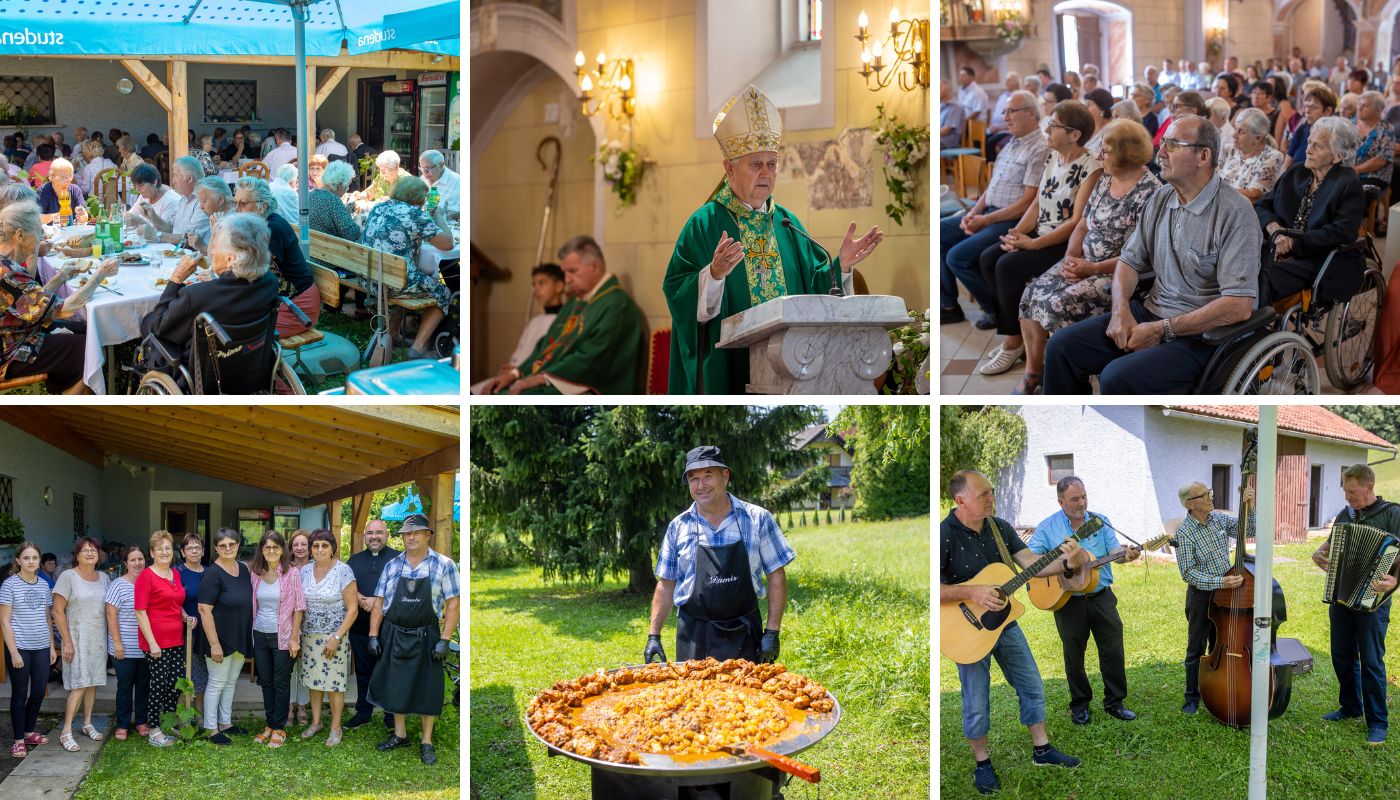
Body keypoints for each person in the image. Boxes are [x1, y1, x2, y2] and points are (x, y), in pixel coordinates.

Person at [662, 85, 882, 392]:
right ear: (729, 168)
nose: (766, 173)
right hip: (729, 369)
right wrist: (712, 277)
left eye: (772, 164)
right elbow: (677, 292)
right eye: (755, 164)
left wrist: (841, 265)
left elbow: (816, 285)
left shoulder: (787, 223)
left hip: (794, 363)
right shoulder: (704, 225)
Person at [1043, 116, 1261, 394]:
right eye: (1162, 143)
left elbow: (1238, 305)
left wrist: (1163, 329)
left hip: (1200, 335)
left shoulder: (1235, 212)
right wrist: (1119, 309)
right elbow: (1129, 261)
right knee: (1061, 348)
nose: (1160, 152)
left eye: (1172, 145)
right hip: (1150, 311)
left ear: (1203, 156)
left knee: (1116, 377)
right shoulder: (1161, 198)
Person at [941, 471, 1081, 796]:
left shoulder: (999, 527)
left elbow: (1031, 562)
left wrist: (1065, 562)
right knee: (976, 700)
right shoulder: (944, 535)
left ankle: (1042, 750)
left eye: (991, 491)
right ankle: (982, 763)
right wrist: (973, 592)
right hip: (965, 631)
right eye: (983, 495)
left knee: (1031, 683)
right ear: (960, 500)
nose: (992, 498)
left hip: (1005, 623)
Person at [1016, 120, 1161, 395]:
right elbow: (1082, 224)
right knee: (1030, 293)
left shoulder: (1151, 192)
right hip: (1084, 264)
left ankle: (1073, 374)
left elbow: (1141, 256)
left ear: (1125, 154)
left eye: (1105, 151)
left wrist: (1091, 268)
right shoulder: (1106, 180)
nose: (1098, 156)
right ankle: (1035, 372)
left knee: (1057, 304)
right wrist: (1070, 259)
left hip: (1117, 275)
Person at [973, 100, 1101, 379]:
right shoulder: (1052, 157)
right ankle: (1016, 336)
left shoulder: (1091, 167)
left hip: (1062, 242)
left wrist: (1031, 244)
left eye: (1053, 126)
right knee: (987, 257)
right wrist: (1017, 232)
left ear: (1074, 134)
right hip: (1040, 229)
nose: (1048, 130)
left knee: (1007, 266)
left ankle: (1012, 343)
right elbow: (1037, 204)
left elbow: (1076, 221)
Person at [648, 445, 792, 668]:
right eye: (693, 479)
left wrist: (772, 632)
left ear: (725, 476)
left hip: (744, 632)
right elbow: (666, 584)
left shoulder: (757, 519)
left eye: (708, 476)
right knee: (693, 701)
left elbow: (776, 575)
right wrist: (653, 636)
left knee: (748, 700)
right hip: (693, 635)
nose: (701, 485)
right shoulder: (679, 526)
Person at [1027, 477, 1141, 725]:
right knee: (1074, 655)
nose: (1082, 503)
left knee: (1112, 649)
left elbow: (1113, 551)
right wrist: (1063, 566)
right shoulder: (1048, 527)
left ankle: (1115, 702)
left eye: (1084, 497)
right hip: (1068, 600)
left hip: (1101, 597)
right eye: (1075, 499)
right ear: (1061, 501)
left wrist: (1124, 555)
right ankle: (1080, 705)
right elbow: (1031, 560)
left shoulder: (1099, 521)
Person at [940, 90, 1049, 327]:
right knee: (940, 233)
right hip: (989, 213)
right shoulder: (1010, 143)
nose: (1005, 117)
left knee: (956, 257)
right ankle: (948, 305)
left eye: (1011, 111)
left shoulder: (1040, 148)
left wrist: (985, 221)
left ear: (1031, 113)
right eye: (1004, 111)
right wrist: (972, 214)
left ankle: (995, 309)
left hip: (1012, 220)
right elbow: (991, 189)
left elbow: (1028, 202)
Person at [482, 235, 642, 394]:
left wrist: (543, 377)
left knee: (515, 396)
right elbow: (547, 344)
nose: (567, 280)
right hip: (558, 377)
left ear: (594, 267)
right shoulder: (576, 301)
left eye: (572, 271)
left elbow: (591, 359)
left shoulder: (616, 305)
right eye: (564, 273)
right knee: (495, 390)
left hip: (588, 386)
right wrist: (516, 373)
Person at [1310, 464, 1400, 745]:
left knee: (1371, 661)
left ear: (1369, 486)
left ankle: (1377, 721)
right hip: (1341, 596)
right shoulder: (1345, 515)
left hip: (1374, 600)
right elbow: (1329, 545)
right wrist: (1319, 553)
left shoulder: (1393, 514)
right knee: (1341, 655)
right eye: (1345, 492)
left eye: (1352, 492)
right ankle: (1350, 707)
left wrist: (1395, 581)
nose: (1348, 497)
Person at [366, 513, 460, 766]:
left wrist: (445, 639)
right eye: (407, 534)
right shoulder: (393, 565)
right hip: (394, 632)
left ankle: (426, 741)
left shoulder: (444, 564)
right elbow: (379, 603)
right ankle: (400, 734)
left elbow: (453, 605)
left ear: (428, 535)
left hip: (427, 633)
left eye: (416, 533)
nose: (410, 537)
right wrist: (373, 635)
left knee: (427, 687)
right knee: (396, 684)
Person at [138, 212, 281, 370]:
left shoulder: (198, 295)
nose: (211, 252)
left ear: (230, 259)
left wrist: (176, 279)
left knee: (149, 321)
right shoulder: (270, 283)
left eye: (216, 247)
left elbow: (159, 327)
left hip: (203, 378)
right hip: (252, 369)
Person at [0, 201, 116, 393]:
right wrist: (100, 275)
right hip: (11, 353)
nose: (42, 237)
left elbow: (33, 302)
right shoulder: (8, 273)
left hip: (16, 335)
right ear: (19, 235)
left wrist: (61, 276)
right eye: (38, 232)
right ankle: (65, 406)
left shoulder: (7, 265)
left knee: (85, 330)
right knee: (90, 350)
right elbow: (62, 310)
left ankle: (61, 385)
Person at [1256, 116, 1365, 304]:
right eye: (1309, 142)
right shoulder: (1297, 172)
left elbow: (1342, 232)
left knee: (1260, 279)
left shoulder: (1348, 184)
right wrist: (1274, 227)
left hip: (1319, 259)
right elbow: (1263, 205)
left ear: (1338, 156)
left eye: (1318, 146)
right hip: (1277, 246)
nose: (1308, 150)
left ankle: (1250, 329)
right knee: (1235, 264)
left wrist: (1292, 244)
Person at [1174, 481, 1254, 714]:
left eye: (1210, 492)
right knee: (1196, 647)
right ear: (1190, 504)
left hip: (1225, 593)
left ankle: (1215, 686)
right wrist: (1221, 582)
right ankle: (1191, 696)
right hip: (1201, 595)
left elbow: (1247, 530)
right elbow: (1188, 572)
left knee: (1219, 643)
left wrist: (1251, 505)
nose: (1211, 497)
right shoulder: (1184, 533)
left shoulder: (1218, 518)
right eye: (1205, 495)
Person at [360, 175, 453, 356]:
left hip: (368, 278)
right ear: (418, 198)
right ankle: (418, 347)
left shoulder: (380, 206)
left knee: (410, 275)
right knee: (443, 292)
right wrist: (438, 215)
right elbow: (447, 244)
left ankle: (393, 332)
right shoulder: (416, 214)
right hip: (392, 283)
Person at [232, 177, 319, 337]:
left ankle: (266, 361)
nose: (236, 208)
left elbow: (252, 271)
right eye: (235, 202)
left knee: (238, 331)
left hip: (297, 306)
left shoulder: (273, 228)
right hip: (276, 300)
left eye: (243, 203)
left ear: (262, 206)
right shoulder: (257, 225)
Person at [133, 530, 196, 747]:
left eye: (168, 548)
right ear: (152, 552)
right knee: (158, 685)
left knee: (174, 683)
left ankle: (167, 724)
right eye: (159, 548)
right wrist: (152, 643)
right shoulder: (146, 577)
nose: (164, 552)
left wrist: (186, 616)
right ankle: (153, 730)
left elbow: (175, 603)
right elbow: (140, 612)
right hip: (156, 642)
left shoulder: (174, 574)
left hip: (176, 638)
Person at [298, 529, 357, 747]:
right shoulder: (304, 571)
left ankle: (335, 727)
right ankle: (316, 722)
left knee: (334, 685)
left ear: (333, 548)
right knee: (314, 682)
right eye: (316, 545)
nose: (320, 549)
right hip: (310, 636)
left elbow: (352, 610)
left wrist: (336, 637)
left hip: (335, 637)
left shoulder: (343, 571)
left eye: (324, 545)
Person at [248, 530, 306, 750]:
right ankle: (270, 725)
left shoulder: (291, 574)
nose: (271, 551)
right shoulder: (257, 574)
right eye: (267, 547)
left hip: (283, 636)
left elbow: (299, 607)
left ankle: (279, 727)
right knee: (267, 682)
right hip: (260, 634)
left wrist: (294, 638)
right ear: (262, 550)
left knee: (281, 682)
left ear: (283, 550)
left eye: (275, 547)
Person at [52, 537, 110, 752]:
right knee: (78, 685)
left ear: (99, 555)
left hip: (97, 639)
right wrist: (66, 642)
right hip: (76, 639)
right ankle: (66, 731)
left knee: (92, 682)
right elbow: (57, 611)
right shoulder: (68, 577)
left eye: (93, 550)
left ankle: (87, 723)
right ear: (77, 555)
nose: (89, 553)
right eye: (85, 550)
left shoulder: (104, 577)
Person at [470, 262, 566, 394]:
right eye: (534, 284)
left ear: (559, 286)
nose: (536, 289)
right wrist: (508, 369)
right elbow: (519, 354)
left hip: (531, 379)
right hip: (513, 375)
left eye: (542, 283)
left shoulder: (563, 322)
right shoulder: (534, 322)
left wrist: (517, 371)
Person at [196, 527, 253, 745]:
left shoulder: (243, 568)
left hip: (239, 634)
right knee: (217, 682)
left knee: (230, 682)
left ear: (238, 545)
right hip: (219, 638)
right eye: (222, 545)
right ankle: (211, 728)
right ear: (216, 548)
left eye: (232, 544)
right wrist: (214, 644)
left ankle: (226, 722)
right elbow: (203, 609)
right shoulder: (213, 573)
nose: (227, 548)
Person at [0, 542, 56, 759]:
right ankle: (18, 741)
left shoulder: (43, 585)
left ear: (38, 561)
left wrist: (51, 646)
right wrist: (13, 652)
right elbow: (4, 622)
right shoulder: (9, 585)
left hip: (41, 647)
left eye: (34, 558)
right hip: (20, 648)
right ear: (18, 561)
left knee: (39, 690)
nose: (31, 561)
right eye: (26, 558)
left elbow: (46, 618)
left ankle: (29, 731)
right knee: (20, 694)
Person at [346, 519, 399, 730]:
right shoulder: (354, 560)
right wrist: (360, 599)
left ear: (386, 535)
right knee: (363, 672)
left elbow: (402, 590)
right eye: (370, 533)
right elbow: (346, 586)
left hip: (389, 629)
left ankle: (390, 715)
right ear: (364, 536)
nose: (374, 537)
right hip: (359, 627)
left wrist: (376, 602)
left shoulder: (398, 559)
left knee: (389, 672)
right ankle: (363, 712)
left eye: (379, 533)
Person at [104, 545, 149, 741]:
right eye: (133, 559)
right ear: (126, 563)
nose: (137, 563)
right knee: (124, 687)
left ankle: (141, 721)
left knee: (143, 686)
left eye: (140, 559)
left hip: (146, 647)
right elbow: (110, 614)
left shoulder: (149, 583)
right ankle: (122, 724)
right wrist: (117, 643)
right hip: (124, 646)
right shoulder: (118, 585)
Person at [133, 157, 211, 248]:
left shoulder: (203, 201)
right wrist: (152, 217)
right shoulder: (184, 199)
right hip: (177, 253)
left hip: (192, 257)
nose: (173, 181)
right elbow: (172, 232)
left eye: (175, 175)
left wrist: (156, 235)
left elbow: (192, 241)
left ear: (189, 178)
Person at [1218, 107, 1285, 202]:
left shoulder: (1272, 157)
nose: (1234, 135)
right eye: (1235, 129)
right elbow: (1212, 178)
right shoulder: (1229, 149)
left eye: (1241, 132)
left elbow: (1254, 195)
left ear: (1258, 138)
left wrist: (1217, 191)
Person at [174, 534, 207, 718]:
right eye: (189, 548)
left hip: (206, 630)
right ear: (183, 552)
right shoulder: (177, 572)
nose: (194, 551)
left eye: (197, 547)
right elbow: (172, 600)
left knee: (202, 674)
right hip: (185, 630)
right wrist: (185, 617)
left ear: (203, 550)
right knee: (185, 674)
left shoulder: (209, 572)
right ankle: (184, 717)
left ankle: (200, 716)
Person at [286, 529, 311, 726]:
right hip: (289, 624)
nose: (300, 548)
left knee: (304, 668)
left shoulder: (316, 567)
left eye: (303, 544)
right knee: (288, 667)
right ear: (291, 548)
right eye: (296, 544)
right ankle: (288, 706)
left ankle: (302, 706)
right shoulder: (285, 568)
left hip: (310, 625)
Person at [1282, 82, 1337, 172]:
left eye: (1313, 107)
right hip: (1294, 179)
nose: (1307, 111)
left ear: (1328, 111)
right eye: (1306, 106)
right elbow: (1286, 165)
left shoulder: (1334, 135)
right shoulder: (1302, 129)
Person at [307, 160, 360, 245]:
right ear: (339, 184)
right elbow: (352, 234)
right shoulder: (333, 201)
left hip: (311, 249)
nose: (348, 188)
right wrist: (358, 219)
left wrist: (345, 211)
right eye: (348, 185)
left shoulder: (310, 194)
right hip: (327, 253)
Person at [1353, 91, 1395, 193]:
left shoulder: (1386, 129)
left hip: (1374, 176)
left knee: (1355, 192)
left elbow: (1381, 160)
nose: (1359, 108)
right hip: (1349, 172)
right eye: (1359, 104)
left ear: (1378, 110)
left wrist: (1357, 170)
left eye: (1365, 106)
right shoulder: (1351, 125)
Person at [36, 159, 87, 225]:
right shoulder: (44, 191)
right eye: (59, 177)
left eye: (67, 177)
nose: (64, 181)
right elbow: (35, 218)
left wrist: (81, 215)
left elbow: (84, 217)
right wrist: (54, 217)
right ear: (50, 177)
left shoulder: (75, 190)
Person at [418, 149, 459, 222]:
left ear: (441, 164)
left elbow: (455, 215)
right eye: (422, 168)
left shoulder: (457, 182)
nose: (425, 172)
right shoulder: (422, 179)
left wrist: (439, 215)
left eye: (428, 168)